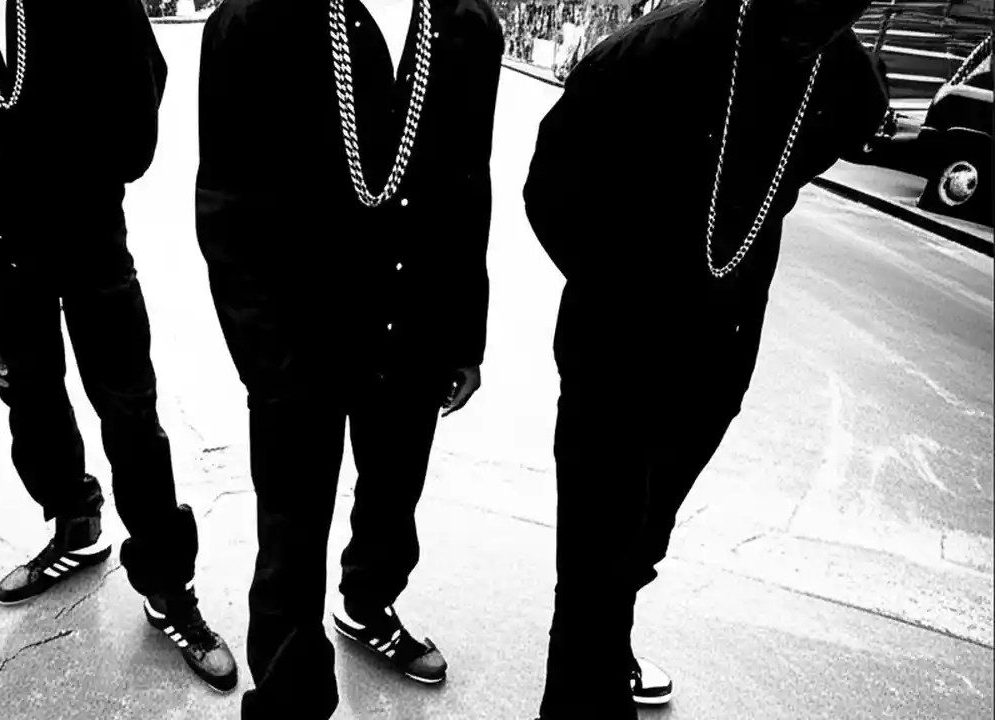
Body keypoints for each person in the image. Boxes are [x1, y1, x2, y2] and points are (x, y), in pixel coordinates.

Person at [523, 0, 887, 717]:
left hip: (716, 364)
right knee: (596, 566)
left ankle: (608, 640)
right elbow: (551, 191)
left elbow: (830, 137)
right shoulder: (646, 55)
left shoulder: (846, 83)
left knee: (641, 540)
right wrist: (627, 294)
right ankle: (588, 681)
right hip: (615, 359)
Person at [0, 0, 237, 692]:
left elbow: (143, 90)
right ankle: (77, 525)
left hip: (90, 244)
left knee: (131, 415)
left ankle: (167, 589)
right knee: (31, 405)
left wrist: (87, 165)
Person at [195, 0, 502, 716]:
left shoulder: (469, 25)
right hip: (299, 340)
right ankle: (290, 702)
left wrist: (465, 334)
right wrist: (267, 359)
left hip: (416, 325)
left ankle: (368, 604)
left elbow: (469, 187)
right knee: (290, 546)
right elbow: (226, 204)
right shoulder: (253, 21)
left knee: (394, 495)